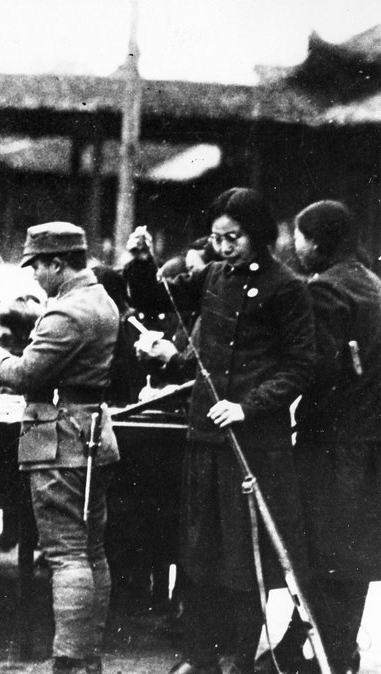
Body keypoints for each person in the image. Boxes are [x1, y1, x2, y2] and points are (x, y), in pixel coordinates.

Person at [127, 187, 316, 674]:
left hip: (253, 446)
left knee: (243, 559)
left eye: (234, 238)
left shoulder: (287, 287)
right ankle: (199, 657)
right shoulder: (211, 275)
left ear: (258, 235)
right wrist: (142, 262)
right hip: (204, 438)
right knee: (198, 553)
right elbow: (154, 298)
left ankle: (239, 659)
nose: (225, 247)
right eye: (217, 238)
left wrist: (248, 407)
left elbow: (299, 366)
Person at [0, 222, 120, 674]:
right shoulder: (100, 301)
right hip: (89, 434)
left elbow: (26, 375)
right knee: (91, 551)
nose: (34, 275)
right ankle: (87, 654)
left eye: (36, 265)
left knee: (66, 553)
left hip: (58, 440)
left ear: (57, 262)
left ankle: (69, 662)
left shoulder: (66, 312)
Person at [256, 201, 381, 674]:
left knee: (320, 550)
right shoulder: (372, 284)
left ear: (317, 241)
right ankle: (331, 648)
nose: (295, 246)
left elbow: (313, 369)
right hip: (368, 443)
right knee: (351, 556)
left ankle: (312, 653)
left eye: (300, 237)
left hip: (331, 445)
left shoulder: (327, 290)